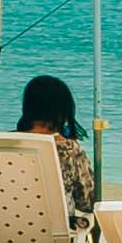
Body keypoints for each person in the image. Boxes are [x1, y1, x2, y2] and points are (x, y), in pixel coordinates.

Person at [14, 73, 97, 229]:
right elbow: (88, 202)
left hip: (2, 234)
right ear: (63, 111)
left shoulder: (3, 146)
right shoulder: (69, 149)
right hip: (53, 241)